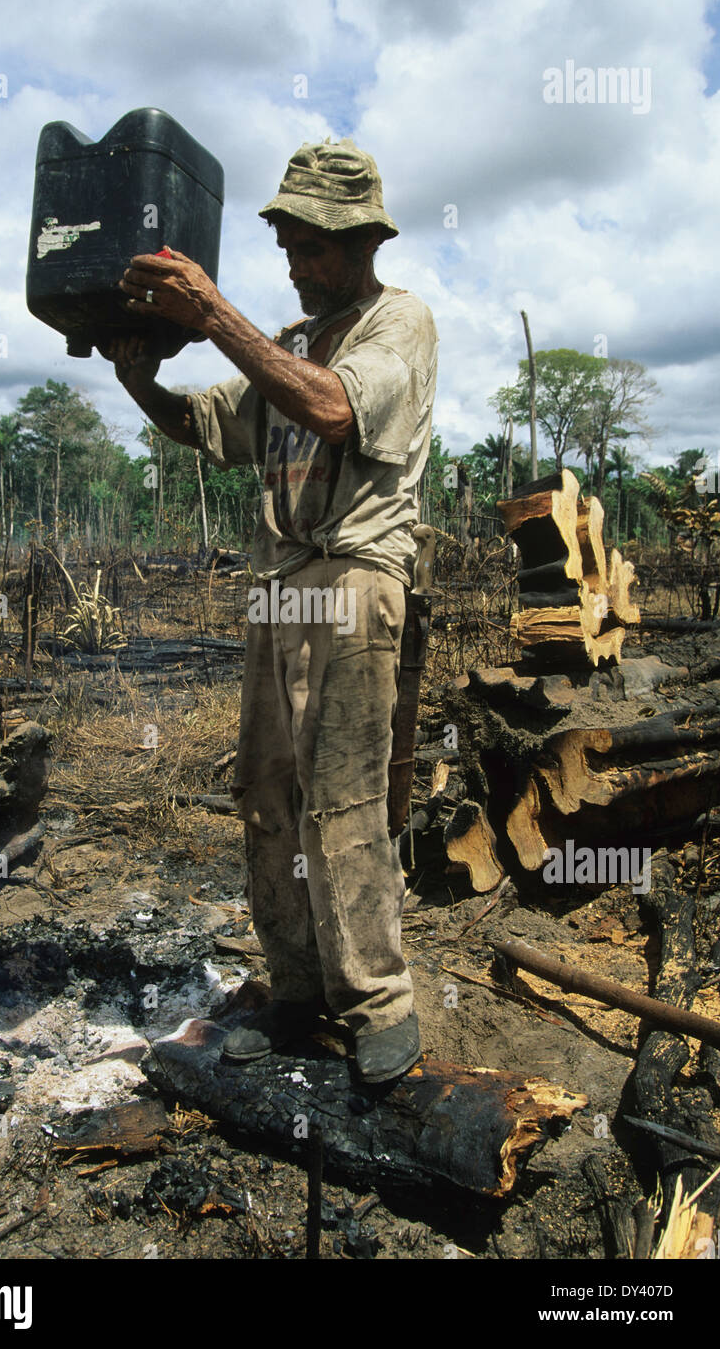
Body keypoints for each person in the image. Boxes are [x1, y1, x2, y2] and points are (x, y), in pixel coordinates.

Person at [100, 139, 438, 1083]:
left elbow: (334, 410)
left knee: (344, 799)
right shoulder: (287, 344)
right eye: (284, 242)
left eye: (310, 244)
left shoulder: (396, 323)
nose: (293, 262)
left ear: (361, 239)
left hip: (352, 577)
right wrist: (137, 376)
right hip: (278, 584)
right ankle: (295, 988)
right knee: (266, 800)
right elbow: (208, 424)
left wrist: (211, 312)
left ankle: (376, 1000)